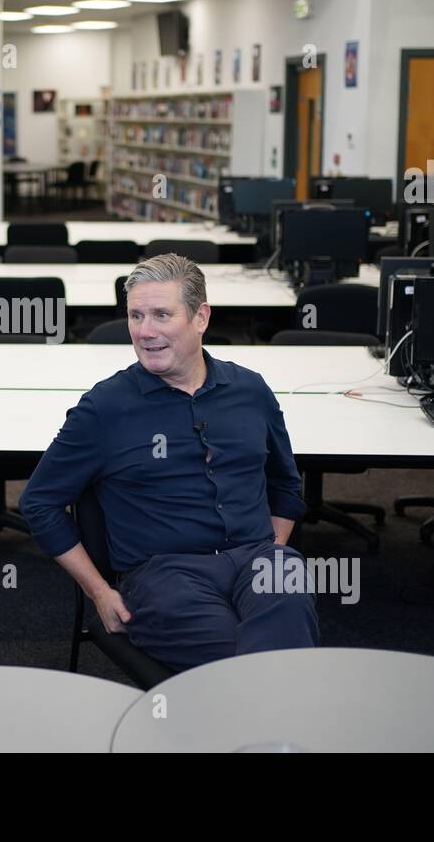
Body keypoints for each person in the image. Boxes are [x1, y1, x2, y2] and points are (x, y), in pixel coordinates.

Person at [19, 254, 318, 673]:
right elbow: (40, 503)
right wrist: (99, 592)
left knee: (285, 586)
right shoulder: (106, 408)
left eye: (162, 315)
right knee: (250, 661)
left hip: (258, 557)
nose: (145, 332)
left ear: (201, 317)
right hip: (164, 574)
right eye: (136, 316)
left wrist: (272, 549)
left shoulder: (250, 391)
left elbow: (285, 487)